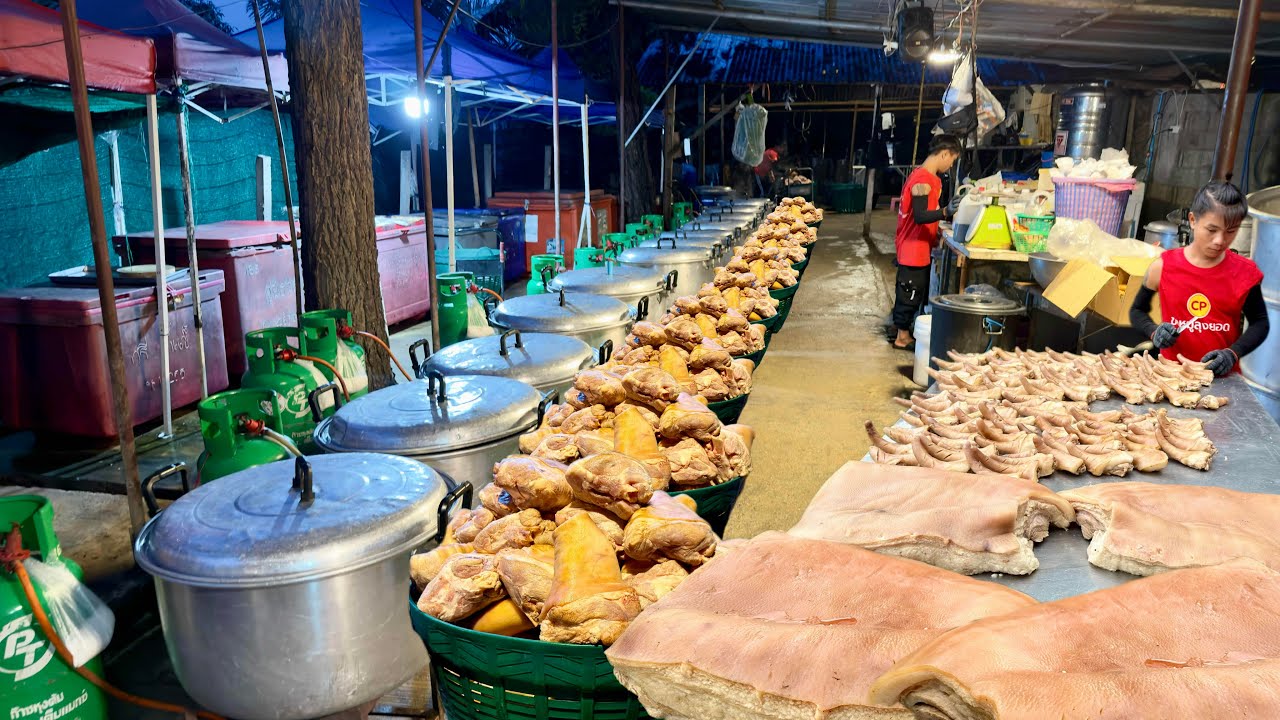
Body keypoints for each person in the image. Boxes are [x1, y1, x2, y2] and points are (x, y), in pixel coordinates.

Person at [1130, 180, 1268, 376]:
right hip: (1170, 376)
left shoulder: (1245, 272)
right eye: (1212, 230)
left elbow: (1260, 322)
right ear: (1193, 220)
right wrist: (1154, 331)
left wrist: (1232, 353)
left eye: (1231, 231)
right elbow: (1137, 311)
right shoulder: (1163, 267)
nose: (1220, 241)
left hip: (1221, 378)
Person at [891, 133, 963, 350]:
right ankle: (902, 337)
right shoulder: (922, 180)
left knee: (915, 291)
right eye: (952, 159)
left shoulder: (931, 179)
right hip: (912, 248)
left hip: (920, 246)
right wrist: (945, 211)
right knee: (910, 293)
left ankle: (904, 331)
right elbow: (921, 215)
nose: (951, 165)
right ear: (944, 153)